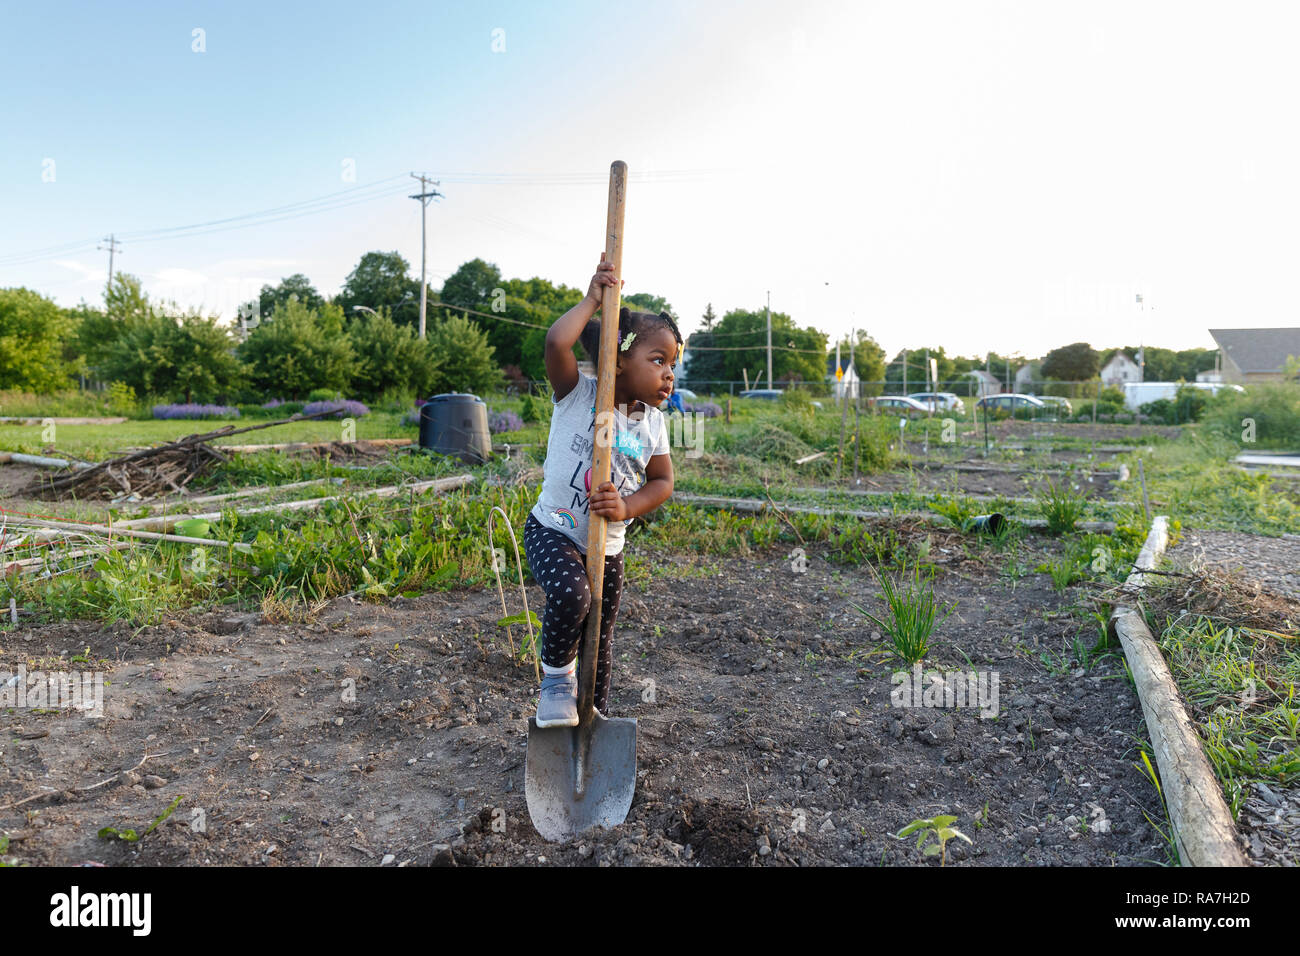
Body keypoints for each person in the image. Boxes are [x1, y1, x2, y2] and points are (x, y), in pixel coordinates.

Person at [523, 256, 680, 727]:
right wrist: (594, 299)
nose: (669, 374)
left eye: (673, 364)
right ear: (618, 356)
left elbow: (663, 483)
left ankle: (593, 720)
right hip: (554, 529)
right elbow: (556, 341)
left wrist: (628, 506)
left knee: (600, 636)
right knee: (572, 596)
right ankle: (554, 683)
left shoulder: (653, 425)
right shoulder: (577, 393)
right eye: (658, 360)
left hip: (608, 548)